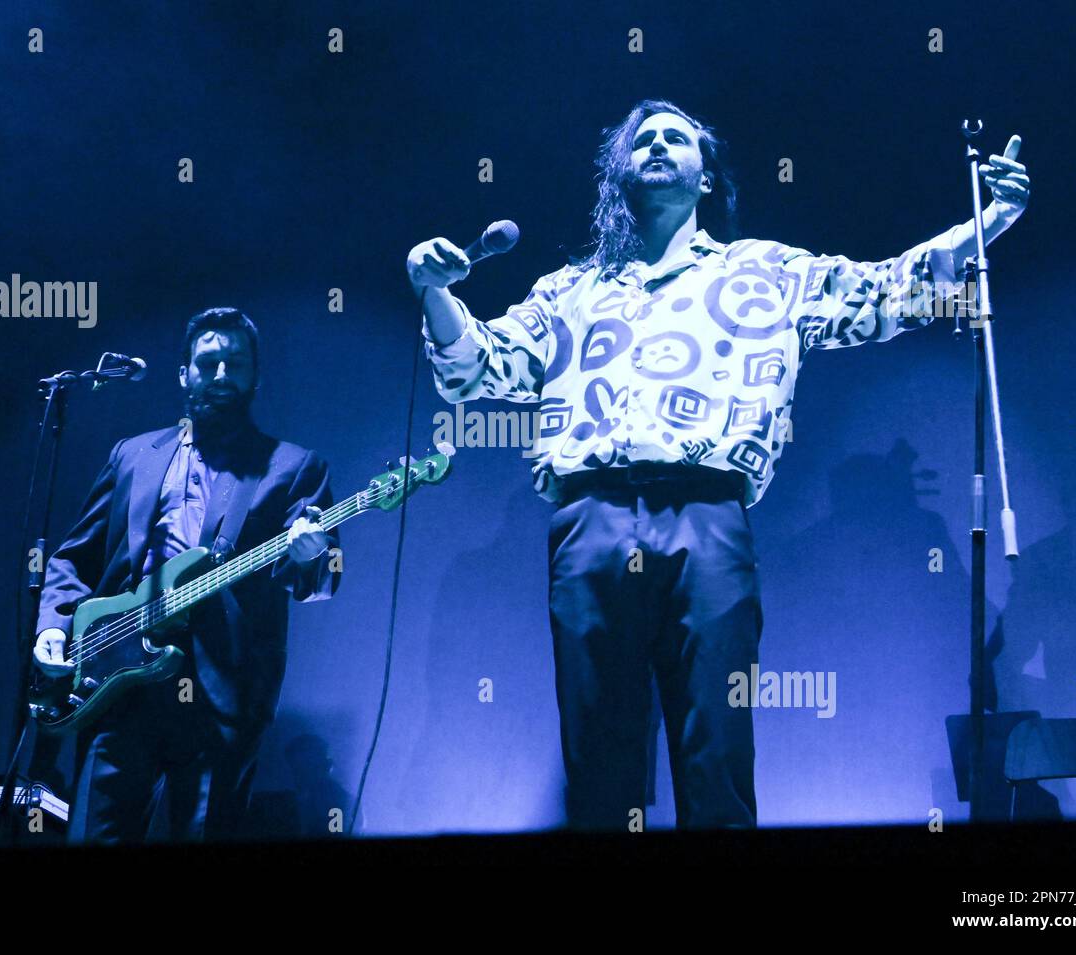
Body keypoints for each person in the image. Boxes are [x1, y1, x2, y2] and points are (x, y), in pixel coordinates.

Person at [407, 99, 1029, 829]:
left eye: (679, 137)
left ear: (706, 179)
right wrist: (434, 291)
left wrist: (988, 224)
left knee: (717, 754)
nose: (662, 144)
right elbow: (479, 369)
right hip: (591, 519)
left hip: (708, 515)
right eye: (646, 139)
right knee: (597, 761)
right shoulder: (568, 290)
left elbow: (886, 289)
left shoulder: (764, 272)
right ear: (621, 174)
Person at [33, 307, 341, 842]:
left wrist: (311, 554)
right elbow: (72, 557)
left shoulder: (293, 466)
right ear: (184, 374)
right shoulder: (133, 454)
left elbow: (323, 576)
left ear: (256, 377)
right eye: (208, 362)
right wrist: (54, 627)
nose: (222, 375)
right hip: (117, 680)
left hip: (224, 694)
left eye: (236, 364)